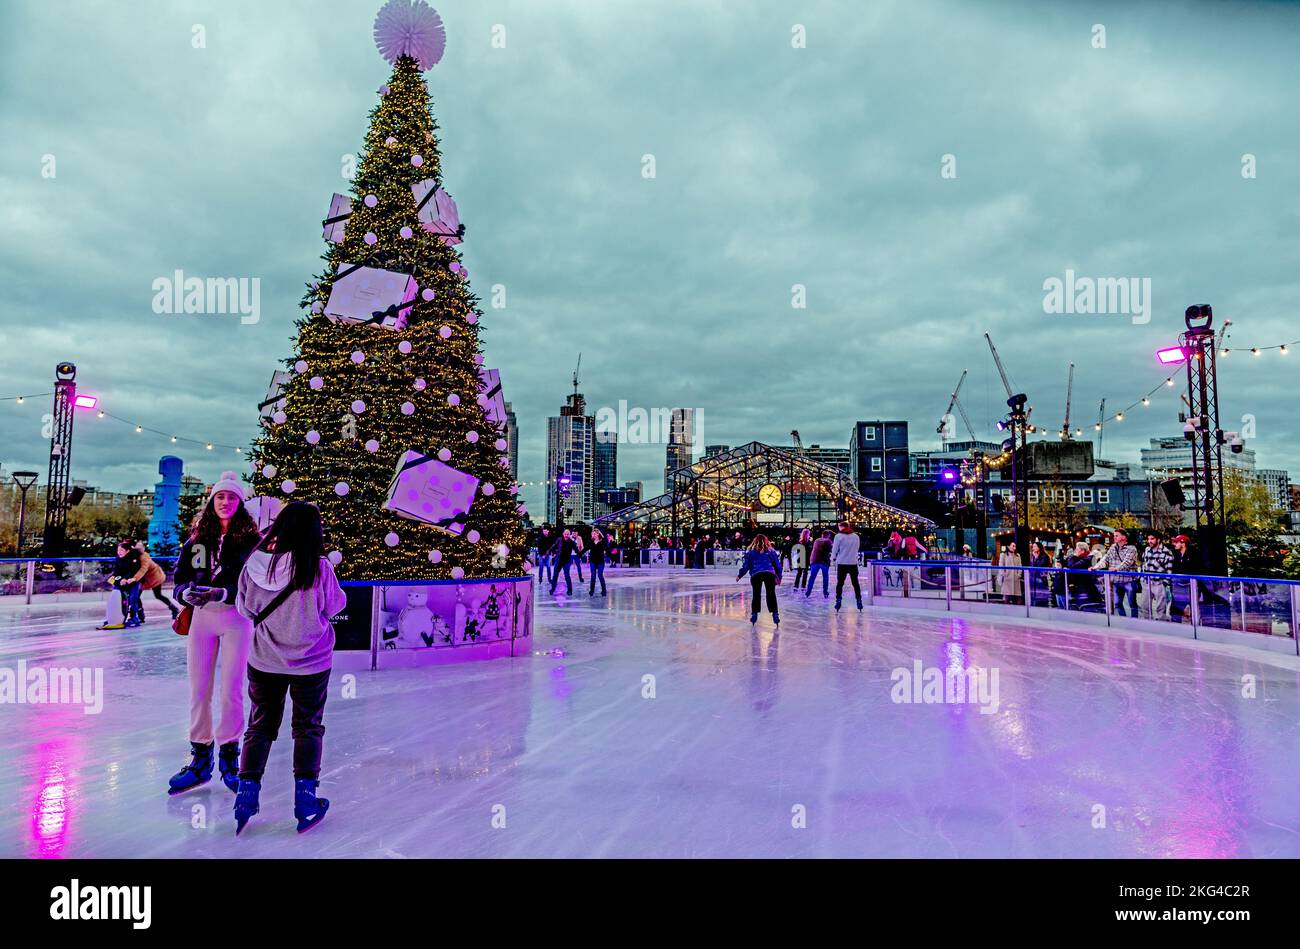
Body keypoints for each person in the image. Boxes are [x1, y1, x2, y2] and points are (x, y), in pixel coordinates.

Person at [232, 501, 346, 835]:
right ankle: (305, 800)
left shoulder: (255, 566)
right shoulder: (319, 566)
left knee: (260, 726)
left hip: (265, 660)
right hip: (312, 662)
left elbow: (245, 608)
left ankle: (246, 795)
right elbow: (335, 605)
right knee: (307, 726)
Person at [167, 472, 261, 796]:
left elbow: (255, 585)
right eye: (220, 497)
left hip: (236, 617)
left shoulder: (251, 542)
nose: (225, 502)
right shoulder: (197, 541)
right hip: (202, 620)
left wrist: (222, 594)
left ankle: (230, 759)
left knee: (231, 689)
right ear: (212, 502)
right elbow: (179, 578)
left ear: (240, 503)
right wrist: (185, 594)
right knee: (199, 689)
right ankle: (200, 759)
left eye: (232, 497)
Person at [128, 540, 180, 620]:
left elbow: (143, 569)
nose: (139, 549)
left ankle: (174, 609)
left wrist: (134, 578)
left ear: (144, 548)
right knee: (136, 596)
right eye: (137, 547)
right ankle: (140, 613)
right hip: (144, 579)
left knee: (157, 595)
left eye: (140, 547)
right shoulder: (135, 556)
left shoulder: (144, 557)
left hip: (155, 578)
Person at [736, 534, 782, 625]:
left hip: (756, 574)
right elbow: (777, 565)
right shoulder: (771, 551)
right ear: (766, 541)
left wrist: (740, 575)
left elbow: (746, 566)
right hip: (769, 573)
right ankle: (775, 614)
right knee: (771, 594)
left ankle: (754, 614)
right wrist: (779, 576)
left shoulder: (751, 553)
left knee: (756, 594)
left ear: (755, 541)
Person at [1098, 528, 1139, 616]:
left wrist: (1116, 568)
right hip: (1116, 580)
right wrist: (1096, 567)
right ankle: (1123, 620)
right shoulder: (1113, 547)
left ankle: (1135, 622)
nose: (1114, 537)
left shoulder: (1131, 548)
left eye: (1117, 536)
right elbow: (1106, 559)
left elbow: (1127, 562)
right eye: (1114, 536)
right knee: (1117, 603)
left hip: (1129, 580)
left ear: (1124, 537)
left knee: (1132, 604)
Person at [104, 539, 144, 629]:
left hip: (133, 581)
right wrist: (113, 577)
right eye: (118, 550)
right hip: (122, 581)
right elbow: (117, 571)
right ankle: (113, 618)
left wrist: (126, 579)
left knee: (133, 599)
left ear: (128, 551)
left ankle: (134, 618)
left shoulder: (134, 558)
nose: (119, 552)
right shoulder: (118, 559)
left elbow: (133, 571)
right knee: (117, 598)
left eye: (121, 550)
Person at [1140, 530, 1174, 620]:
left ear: (1158, 540)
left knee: (1160, 609)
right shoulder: (1147, 550)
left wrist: (1165, 584)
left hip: (1159, 583)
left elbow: (1169, 570)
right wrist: (1142, 578)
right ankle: (1147, 625)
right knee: (1145, 606)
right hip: (1146, 582)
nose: (1149, 541)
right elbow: (1143, 564)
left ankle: (1161, 626)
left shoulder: (1166, 552)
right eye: (1148, 539)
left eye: (1152, 539)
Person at [831, 522, 863, 611]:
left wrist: (833, 558)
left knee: (840, 583)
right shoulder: (856, 537)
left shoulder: (838, 536)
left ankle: (838, 600)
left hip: (842, 563)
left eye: (839, 527)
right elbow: (857, 548)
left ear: (842, 527)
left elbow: (835, 549)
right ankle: (859, 600)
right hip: (853, 563)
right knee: (855, 583)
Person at [1170, 534, 1195, 622]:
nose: (1174, 544)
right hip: (1177, 587)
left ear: (1183, 544)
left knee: (1194, 610)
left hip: (1190, 587)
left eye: (1176, 542)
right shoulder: (1174, 554)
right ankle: (1176, 628)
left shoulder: (1193, 555)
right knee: (1175, 610)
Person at [805, 530, 832, 598]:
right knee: (825, 577)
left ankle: (808, 592)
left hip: (814, 560)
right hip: (824, 561)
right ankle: (825, 592)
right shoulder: (828, 541)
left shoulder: (816, 540)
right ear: (828, 535)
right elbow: (830, 550)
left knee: (812, 577)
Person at [549, 529, 577, 596]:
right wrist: (555, 552)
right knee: (555, 575)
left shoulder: (571, 542)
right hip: (559, 560)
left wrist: (579, 554)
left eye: (568, 534)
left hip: (567, 561)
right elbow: (553, 546)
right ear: (563, 534)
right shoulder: (559, 539)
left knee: (567, 575)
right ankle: (552, 589)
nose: (566, 535)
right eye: (565, 534)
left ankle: (570, 590)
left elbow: (576, 549)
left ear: (569, 534)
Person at [1028, 541, 1052, 607]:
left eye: (1035, 546)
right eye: (1033, 547)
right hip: (1034, 579)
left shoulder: (1045, 556)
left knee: (1042, 597)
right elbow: (1032, 566)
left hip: (1041, 579)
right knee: (1034, 596)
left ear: (1039, 547)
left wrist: (1036, 558)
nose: (1033, 548)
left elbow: (1039, 566)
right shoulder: (1033, 555)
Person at [588, 528, 609, 597]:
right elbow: (586, 548)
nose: (593, 535)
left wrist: (599, 532)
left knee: (600, 575)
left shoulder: (602, 541)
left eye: (594, 534)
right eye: (592, 534)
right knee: (593, 576)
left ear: (597, 534)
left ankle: (604, 591)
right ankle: (591, 590)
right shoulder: (591, 541)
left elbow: (606, 542)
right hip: (593, 561)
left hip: (600, 561)